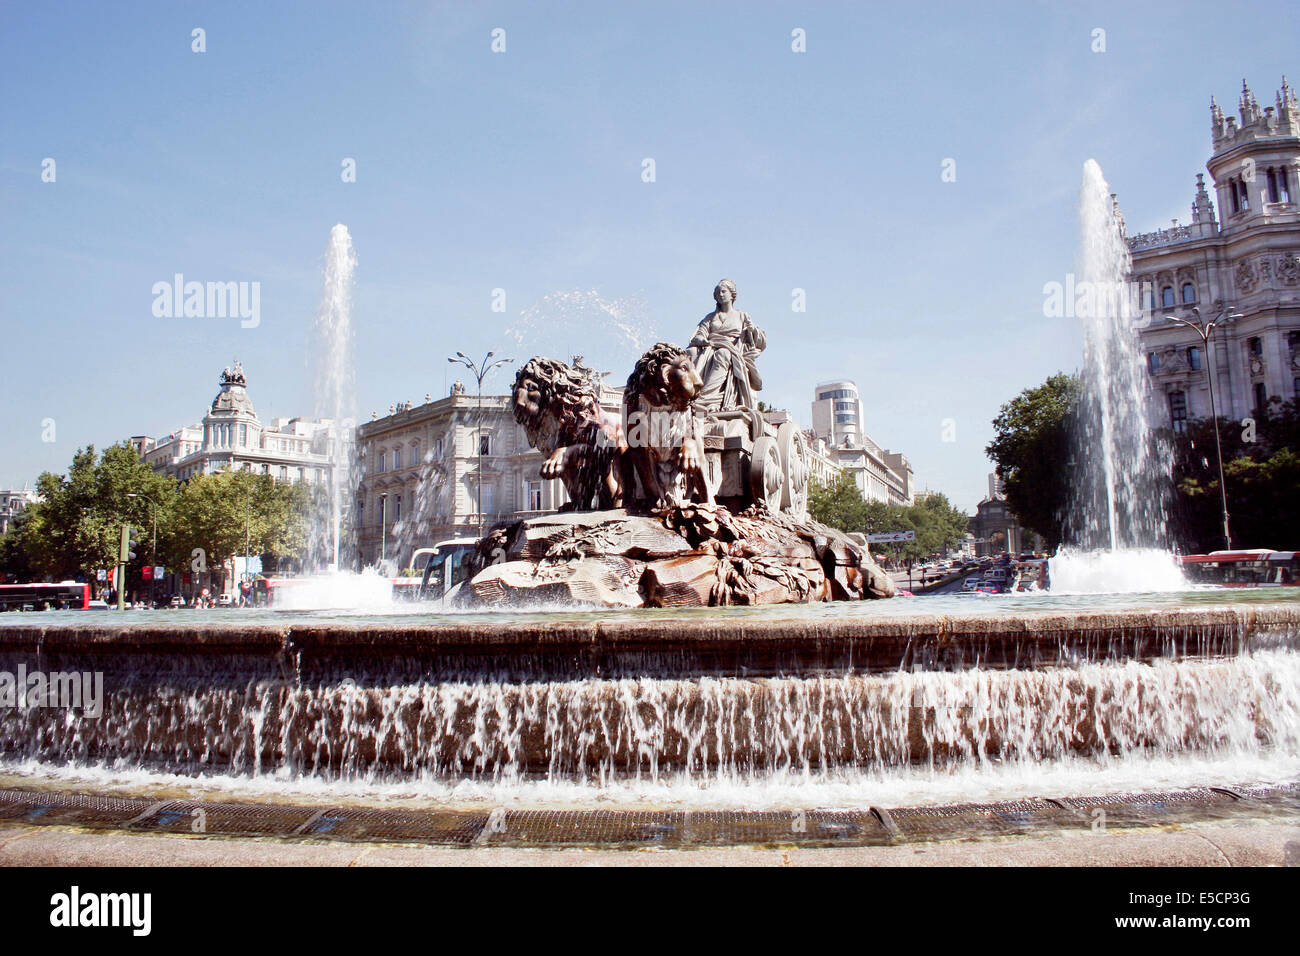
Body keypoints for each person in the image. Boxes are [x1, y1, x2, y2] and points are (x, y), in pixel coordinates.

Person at [687, 279, 766, 414]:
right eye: (718, 293)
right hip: (710, 347)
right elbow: (700, 333)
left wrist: (752, 330)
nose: (721, 294)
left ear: (732, 294)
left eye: (724, 291)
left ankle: (705, 399)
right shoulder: (711, 317)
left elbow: (760, 341)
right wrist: (702, 340)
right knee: (691, 352)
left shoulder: (742, 316)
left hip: (733, 350)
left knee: (722, 354)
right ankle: (689, 392)